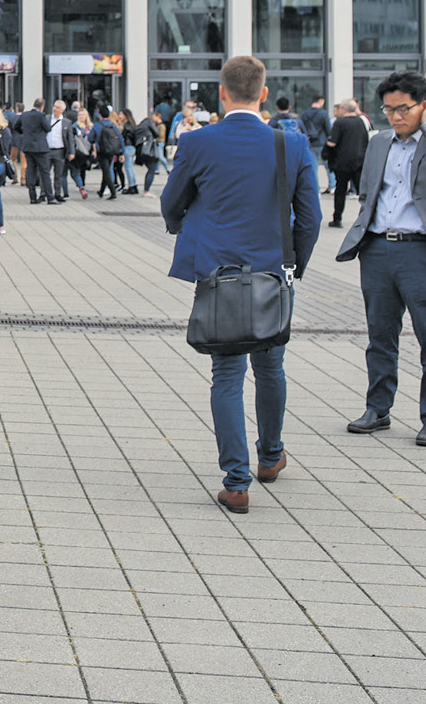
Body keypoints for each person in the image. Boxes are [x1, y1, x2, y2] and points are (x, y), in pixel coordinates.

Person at [159, 54, 320, 514]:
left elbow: (172, 203)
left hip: (218, 275)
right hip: (272, 275)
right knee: (271, 369)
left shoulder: (198, 142)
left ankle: (236, 481)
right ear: (264, 94)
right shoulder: (291, 144)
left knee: (226, 375)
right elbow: (310, 218)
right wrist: (294, 266)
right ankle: (270, 457)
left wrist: (184, 225)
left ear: (222, 94)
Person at [337, 72, 426, 447]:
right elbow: (369, 190)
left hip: (422, 250)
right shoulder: (379, 142)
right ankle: (377, 408)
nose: (395, 116)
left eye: (403, 108)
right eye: (388, 109)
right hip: (377, 248)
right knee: (380, 336)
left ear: (423, 105)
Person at [325, 100, 371, 229]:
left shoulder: (339, 122)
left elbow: (332, 143)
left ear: (344, 109)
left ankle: (337, 219)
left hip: (342, 162)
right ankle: (368, 217)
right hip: (359, 161)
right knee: (363, 192)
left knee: (340, 190)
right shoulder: (361, 121)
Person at [301, 95, 332, 193]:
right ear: (321, 101)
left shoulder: (306, 113)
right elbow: (328, 129)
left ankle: (316, 188)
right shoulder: (323, 114)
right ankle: (332, 186)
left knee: (313, 167)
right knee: (328, 166)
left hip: (311, 143)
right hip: (322, 142)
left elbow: (303, 128)